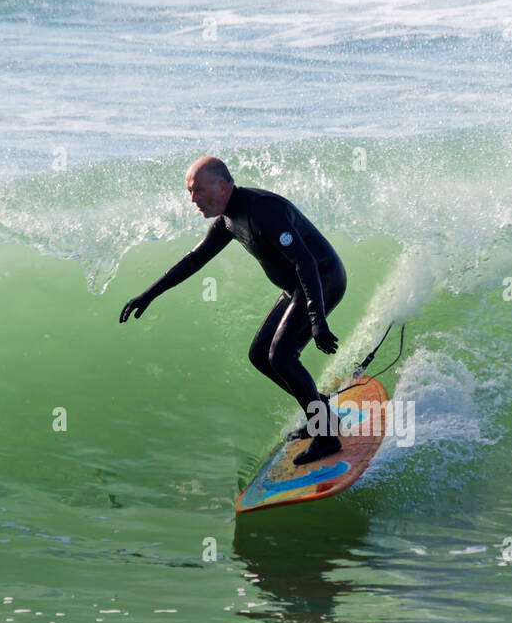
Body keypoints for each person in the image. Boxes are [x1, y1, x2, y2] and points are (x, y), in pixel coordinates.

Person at [120, 156, 346, 465]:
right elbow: (194, 260)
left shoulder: (263, 211)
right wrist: (148, 295)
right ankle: (321, 413)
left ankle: (326, 436)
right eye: (189, 192)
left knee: (281, 355)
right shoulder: (228, 220)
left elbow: (305, 262)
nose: (193, 199)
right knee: (260, 356)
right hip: (295, 289)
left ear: (223, 185)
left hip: (323, 279)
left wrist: (316, 319)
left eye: (198, 190)